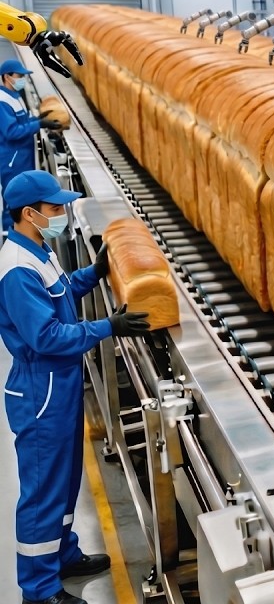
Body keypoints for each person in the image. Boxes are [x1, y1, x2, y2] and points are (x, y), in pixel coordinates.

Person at [0, 170, 151, 604]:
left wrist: (95, 271)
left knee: (65, 482)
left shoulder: (37, 248)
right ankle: (39, 589)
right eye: (54, 208)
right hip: (39, 391)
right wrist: (109, 326)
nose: (62, 213)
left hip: (58, 384)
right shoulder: (15, 268)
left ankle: (63, 556)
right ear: (29, 214)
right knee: (43, 491)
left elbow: (61, 292)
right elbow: (45, 336)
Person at [1, 60, 60, 231]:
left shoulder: (15, 96)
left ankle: (26, 234)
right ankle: (9, 237)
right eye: (19, 76)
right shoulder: (2, 101)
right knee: (13, 202)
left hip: (23, 157)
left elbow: (22, 121)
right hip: (12, 161)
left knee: (25, 200)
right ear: (7, 77)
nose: (22, 80)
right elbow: (11, 132)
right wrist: (40, 124)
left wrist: (39, 119)